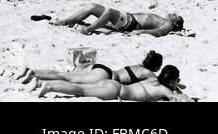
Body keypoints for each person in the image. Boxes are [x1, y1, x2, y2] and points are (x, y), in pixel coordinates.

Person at [37, 64, 193, 101]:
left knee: (79, 86)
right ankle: (49, 86)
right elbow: (178, 99)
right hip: (116, 91)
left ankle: (41, 83)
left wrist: (175, 87)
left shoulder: (152, 79)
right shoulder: (164, 91)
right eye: (176, 81)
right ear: (172, 81)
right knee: (81, 90)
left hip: (114, 84)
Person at [15, 51, 162, 87]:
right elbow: (158, 86)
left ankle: (32, 71)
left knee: (65, 74)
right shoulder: (149, 74)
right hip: (106, 76)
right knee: (68, 79)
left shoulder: (137, 66)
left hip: (102, 68)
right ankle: (35, 77)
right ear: (156, 67)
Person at [48, 4, 184, 37]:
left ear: (176, 22)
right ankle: (64, 21)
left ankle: (88, 30)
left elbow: (158, 32)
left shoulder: (168, 24)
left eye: (175, 15)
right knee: (92, 6)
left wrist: (141, 32)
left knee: (109, 12)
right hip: (128, 18)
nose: (173, 13)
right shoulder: (166, 21)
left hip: (131, 24)